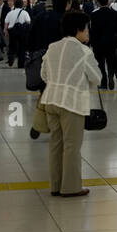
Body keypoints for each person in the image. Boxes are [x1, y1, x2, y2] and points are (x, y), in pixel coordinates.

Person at [40, 11, 100, 198]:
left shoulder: (52, 47)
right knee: (72, 146)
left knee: (55, 145)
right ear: (78, 29)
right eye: (86, 27)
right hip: (71, 103)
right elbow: (97, 78)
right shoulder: (84, 52)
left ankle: (55, 186)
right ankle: (71, 187)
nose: (88, 31)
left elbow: (44, 74)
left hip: (51, 100)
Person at [88, 0, 117, 90]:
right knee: (111, 61)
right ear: (108, 1)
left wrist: (92, 43)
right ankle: (111, 74)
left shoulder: (94, 14)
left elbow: (92, 30)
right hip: (111, 42)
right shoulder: (114, 13)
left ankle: (104, 81)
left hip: (98, 44)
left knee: (100, 63)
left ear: (98, 2)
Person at [4, 0, 32, 68]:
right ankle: (21, 64)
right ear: (22, 5)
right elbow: (28, 22)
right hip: (22, 32)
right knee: (22, 48)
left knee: (12, 46)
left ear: (15, 5)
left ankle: (11, 59)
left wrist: (5, 31)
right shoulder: (25, 13)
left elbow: (6, 23)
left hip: (12, 31)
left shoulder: (10, 13)